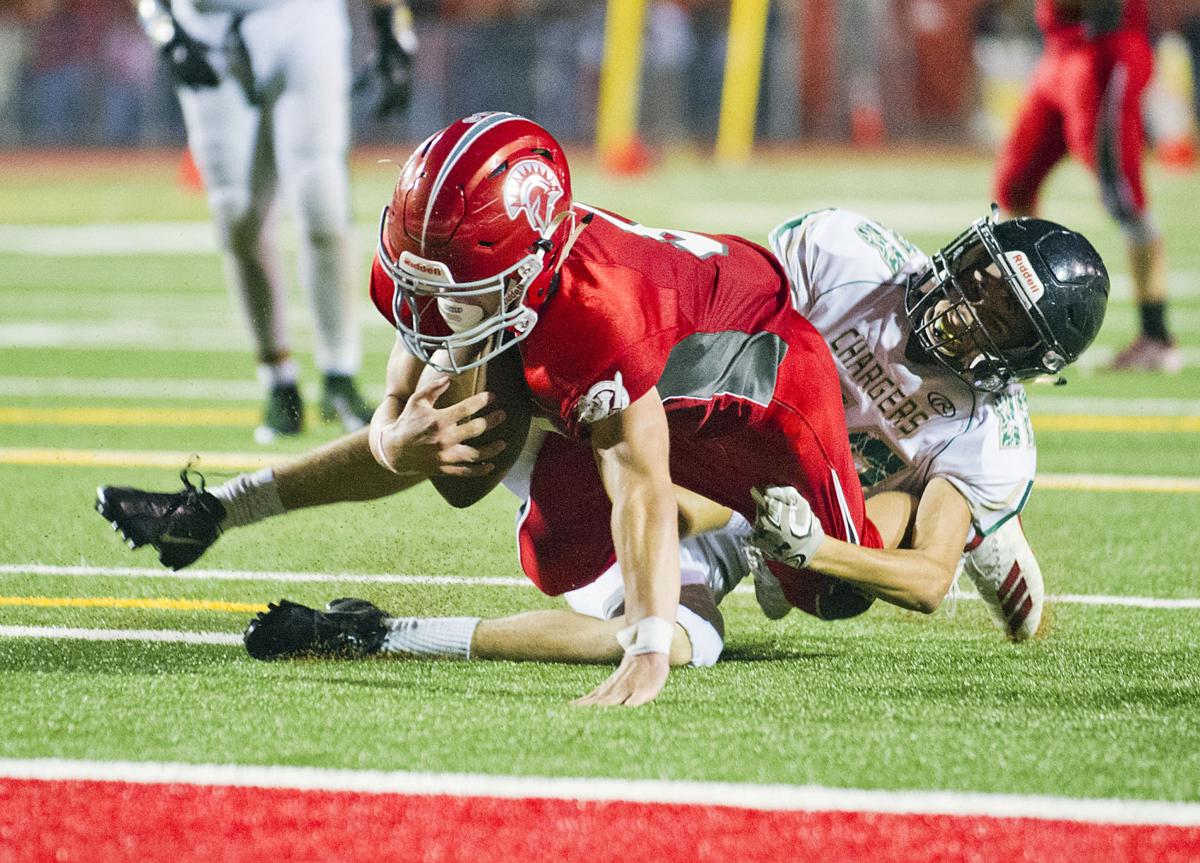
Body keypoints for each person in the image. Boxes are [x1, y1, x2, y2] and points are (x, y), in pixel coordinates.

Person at [98, 114, 1109, 704]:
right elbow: (421, 366)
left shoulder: (602, 319)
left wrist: (657, 627)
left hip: (763, 422)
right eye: (980, 277)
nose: (967, 304)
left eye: (1000, 315)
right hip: (704, 391)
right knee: (461, 450)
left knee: (799, 588)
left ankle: (981, 524)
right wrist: (311, 460)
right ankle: (220, 510)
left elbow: (655, 442)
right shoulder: (481, 256)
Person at [133, 0, 417, 440]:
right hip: (205, 24)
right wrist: (162, 25)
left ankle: (339, 373)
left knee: (322, 202)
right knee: (236, 214)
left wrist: (394, 25)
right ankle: (277, 376)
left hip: (302, 17)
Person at [994, 0, 1178, 372]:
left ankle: (1156, 337)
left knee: (1123, 196)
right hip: (1058, 51)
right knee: (1014, 186)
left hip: (1104, 44)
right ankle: (1027, 317)